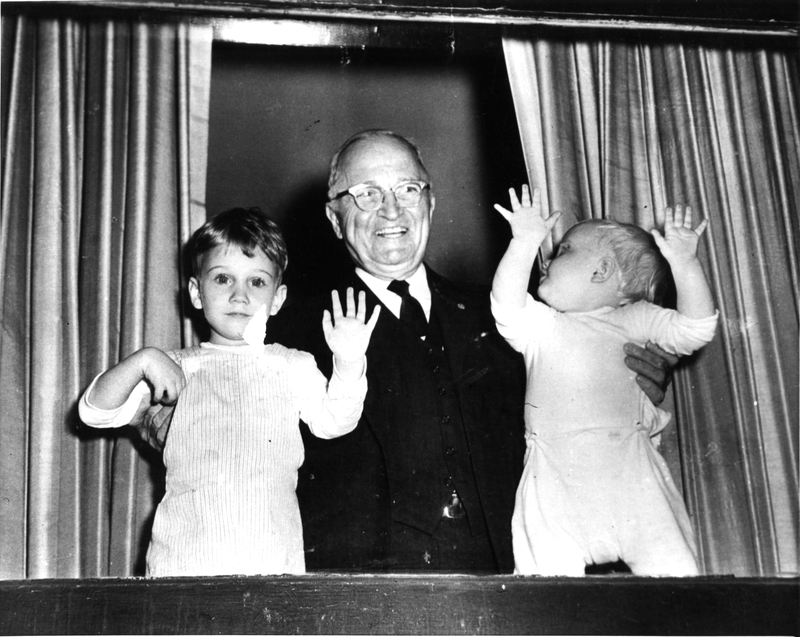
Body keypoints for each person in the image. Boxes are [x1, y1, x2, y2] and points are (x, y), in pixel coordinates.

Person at [267, 130, 679, 573]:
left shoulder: (515, 316)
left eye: (407, 189)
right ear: (334, 217)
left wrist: (637, 383)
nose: (391, 209)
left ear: (431, 203)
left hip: (509, 585)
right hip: (369, 598)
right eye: (366, 194)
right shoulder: (289, 330)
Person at [78, 207, 380, 576]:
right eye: (223, 279)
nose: (240, 296)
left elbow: (335, 422)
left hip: (272, 561)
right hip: (183, 563)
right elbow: (94, 411)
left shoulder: (291, 365)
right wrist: (142, 360)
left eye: (257, 282)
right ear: (196, 292)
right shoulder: (173, 366)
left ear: (279, 298)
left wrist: (348, 361)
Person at [491, 185, 718, 576]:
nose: (547, 260)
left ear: (602, 271)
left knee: (674, 573)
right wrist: (523, 244)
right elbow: (506, 304)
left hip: (629, 469)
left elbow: (697, 328)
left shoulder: (636, 319)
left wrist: (686, 265)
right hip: (553, 474)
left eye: (564, 251)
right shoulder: (542, 327)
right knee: (543, 589)